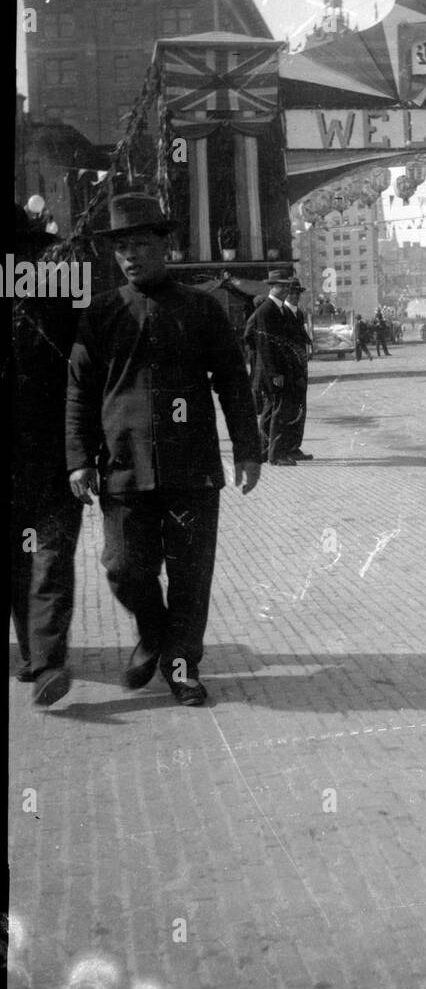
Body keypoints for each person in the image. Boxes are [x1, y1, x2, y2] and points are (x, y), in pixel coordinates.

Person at [65, 194, 261, 707]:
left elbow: (234, 383)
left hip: (192, 468)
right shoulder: (102, 313)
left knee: (191, 576)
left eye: (141, 244)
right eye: (121, 246)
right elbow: (80, 390)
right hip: (124, 467)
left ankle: (181, 667)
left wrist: (247, 449)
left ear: (165, 245)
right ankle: (153, 634)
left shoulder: (201, 308)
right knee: (123, 566)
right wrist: (80, 457)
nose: (130, 255)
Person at [9, 207, 84, 707]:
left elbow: (83, 353)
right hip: (48, 437)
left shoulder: (58, 265)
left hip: (52, 438)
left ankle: (45, 660)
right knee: (42, 554)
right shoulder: (58, 263)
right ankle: (41, 657)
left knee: (42, 554)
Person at [248, 270, 302, 464]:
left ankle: (270, 451)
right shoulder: (267, 310)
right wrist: (274, 372)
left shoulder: (278, 309)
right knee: (278, 411)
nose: (287, 289)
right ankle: (276, 455)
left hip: (279, 370)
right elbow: (264, 344)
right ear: (273, 287)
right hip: (274, 372)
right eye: (283, 285)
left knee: (273, 410)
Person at [284, 281, 314, 461]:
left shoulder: (298, 314)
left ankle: (295, 446)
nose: (295, 296)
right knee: (289, 409)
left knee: (300, 408)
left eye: (297, 294)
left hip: (301, 368)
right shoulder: (282, 313)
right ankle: (285, 448)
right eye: (291, 293)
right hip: (290, 370)